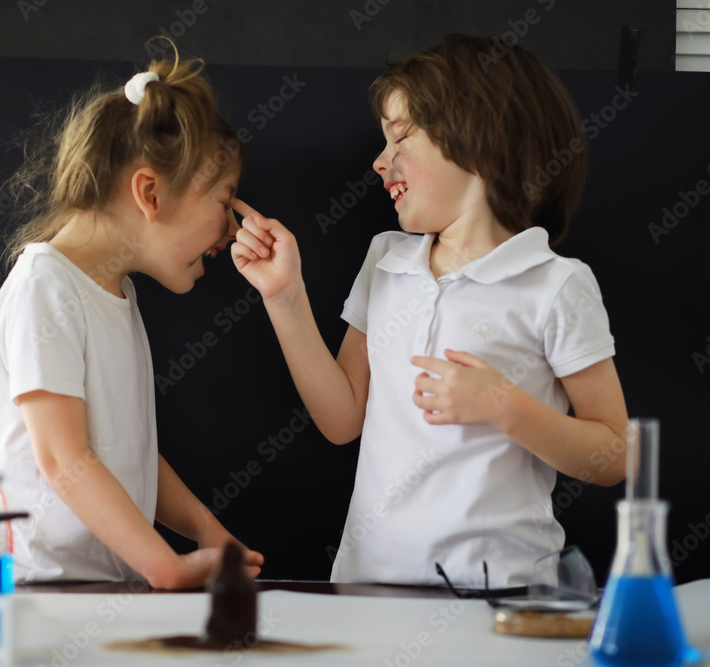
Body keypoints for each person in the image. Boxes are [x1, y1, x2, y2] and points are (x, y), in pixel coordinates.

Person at [229, 34, 627, 587]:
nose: (378, 161)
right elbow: (342, 420)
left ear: (480, 140)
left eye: (400, 137)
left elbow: (613, 454)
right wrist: (284, 296)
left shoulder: (555, 283)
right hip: (370, 583)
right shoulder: (387, 260)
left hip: (503, 592)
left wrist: (502, 405)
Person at [0, 48, 263, 587]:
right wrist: (166, 568)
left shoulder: (117, 293)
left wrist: (205, 527)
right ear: (150, 193)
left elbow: (125, 453)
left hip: (99, 593)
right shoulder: (46, 288)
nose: (230, 231)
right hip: (40, 593)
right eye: (225, 201)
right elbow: (65, 458)